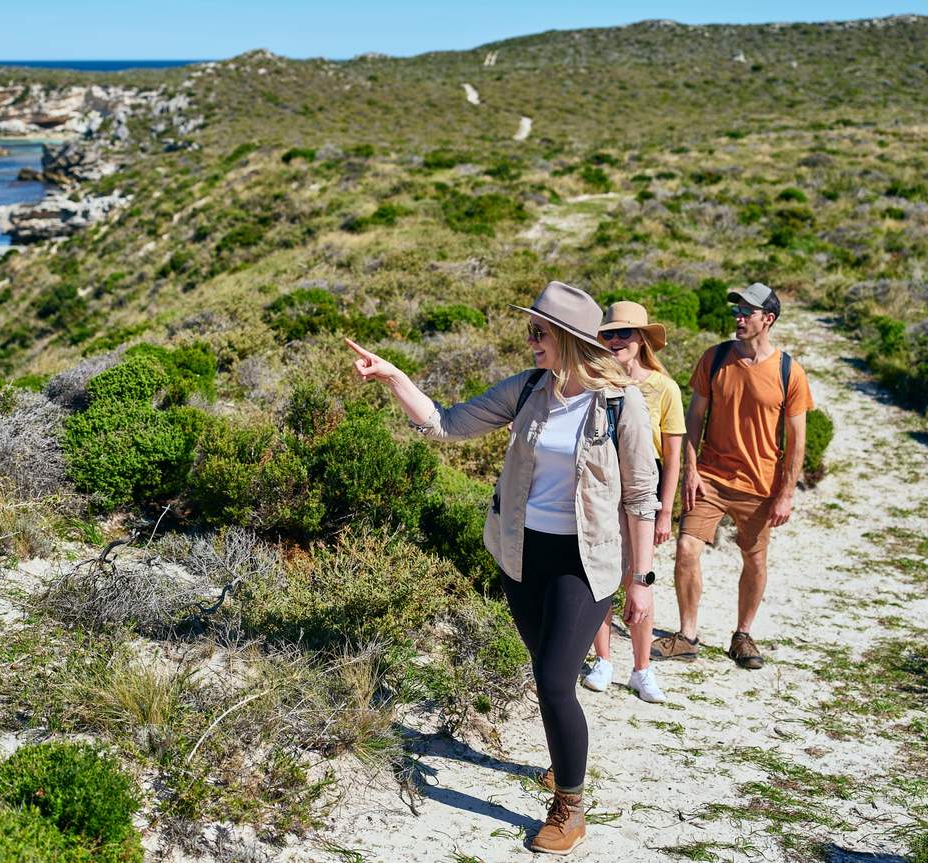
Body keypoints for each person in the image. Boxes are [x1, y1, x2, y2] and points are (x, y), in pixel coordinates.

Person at [346, 281, 658, 856]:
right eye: (530, 330)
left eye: (539, 332)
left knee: (554, 681)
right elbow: (446, 423)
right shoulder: (529, 388)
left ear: (567, 338)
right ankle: (564, 759)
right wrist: (394, 378)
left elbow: (641, 498)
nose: (530, 340)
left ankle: (569, 805)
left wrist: (641, 581)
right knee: (548, 673)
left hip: (584, 562)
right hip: (522, 554)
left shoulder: (621, 403)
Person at [652, 283, 814, 669]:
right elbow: (693, 418)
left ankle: (742, 635)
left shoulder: (789, 372)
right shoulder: (715, 358)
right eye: (736, 311)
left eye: (747, 312)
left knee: (754, 560)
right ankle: (687, 636)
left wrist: (786, 493)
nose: (738, 318)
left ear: (768, 319)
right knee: (686, 548)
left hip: (760, 484)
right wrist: (691, 469)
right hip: (709, 476)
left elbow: (797, 440)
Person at [581, 302, 685, 703]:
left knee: (640, 577)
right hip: (602, 482)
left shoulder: (664, 387)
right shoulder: (593, 382)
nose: (615, 340)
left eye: (624, 333)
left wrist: (665, 511)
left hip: (643, 488)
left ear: (642, 339)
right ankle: (603, 659)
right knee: (600, 572)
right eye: (608, 334)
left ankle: (642, 668)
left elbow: (673, 457)